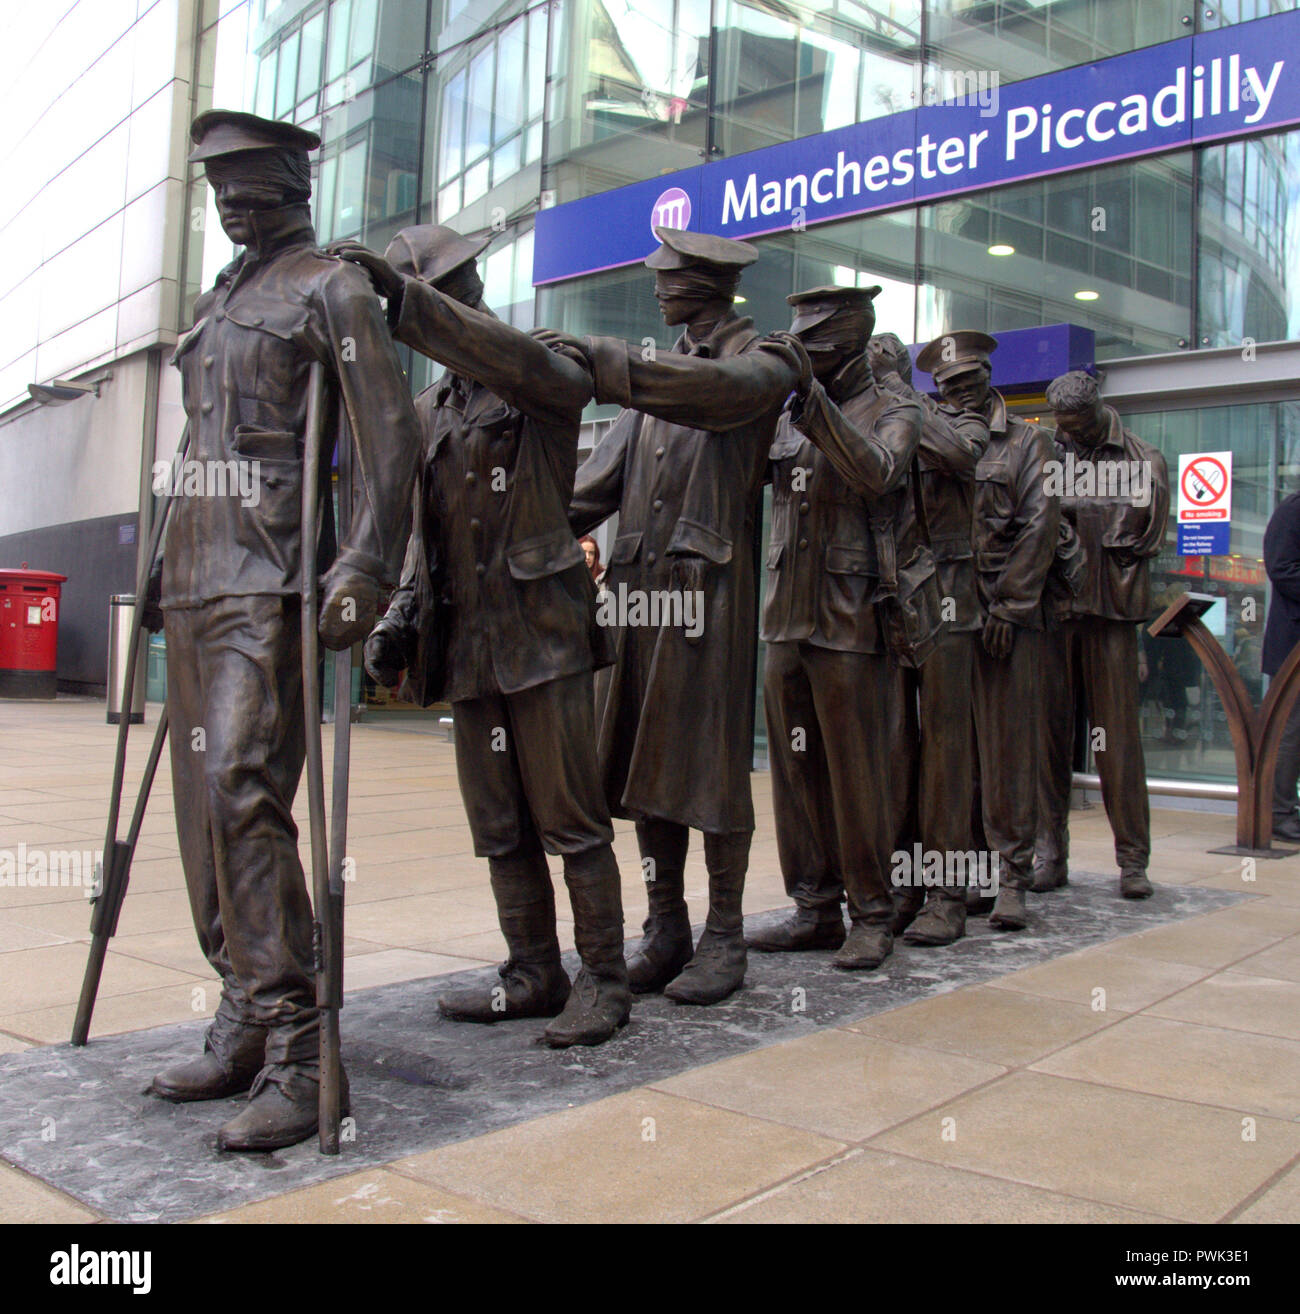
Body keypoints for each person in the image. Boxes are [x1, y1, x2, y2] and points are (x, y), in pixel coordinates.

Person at [144, 111, 422, 1151]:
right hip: (196, 577)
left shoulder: (330, 288)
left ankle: (305, 1052)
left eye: (248, 187)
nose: (229, 204)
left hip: (273, 583)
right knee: (199, 809)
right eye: (218, 188)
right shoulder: (218, 305)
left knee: (241, 790)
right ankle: (244, 1013)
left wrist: (365, 564)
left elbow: (386, 433)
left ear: (292, 187)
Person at [347, 225, 630, 1047]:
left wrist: (406, 303)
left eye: (443, 292)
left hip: (543, 635)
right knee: (500, 824)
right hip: (470, 643)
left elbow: (515, 363)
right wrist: (399, 619)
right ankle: (532, 971)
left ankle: (604, 979)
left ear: (467, 292)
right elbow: (421, 539)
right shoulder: (430, 411)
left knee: (571, 819)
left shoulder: (541, 369)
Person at [561, 227, 801, 1005]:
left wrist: (608, 364)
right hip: (636, 590)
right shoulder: (653, 381)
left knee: (710, 765)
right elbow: (593, 488)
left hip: (708, 598)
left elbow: (714, 397)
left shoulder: (760, 361)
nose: (656, 285)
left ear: (702, 282)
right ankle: (666, 925)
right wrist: (520, 530)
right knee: (641, 764)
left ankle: (724, 935)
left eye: (666, 275)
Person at [746, 288, 923, 969]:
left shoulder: (895, 407)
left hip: (853, 617)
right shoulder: (790, 413)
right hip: (786, 612)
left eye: (810, 347)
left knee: (857, 774)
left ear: (844, 347)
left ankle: (872, 912)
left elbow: (878, 474)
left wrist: (813, 409)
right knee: (793, 770)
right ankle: (813, 907)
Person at [916, 330, 1060, 931]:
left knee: (1006, 751)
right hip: (945, 616)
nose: (961, 396)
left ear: (988, 380)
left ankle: (1013, 879)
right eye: (949, 388)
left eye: (970, 383)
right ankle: (961, 878)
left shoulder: (1031, 443)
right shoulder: (931, 443)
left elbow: (1041, 527)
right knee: (950, 755)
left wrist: (1011, 607)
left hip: (1003, 617)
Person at [867, 331, 991, 945]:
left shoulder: (955, 423)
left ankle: (947, 894)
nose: (964, 390)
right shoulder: (887, 417)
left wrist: (899, 396)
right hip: (893, 599)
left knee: (946, 751)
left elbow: (961, 458)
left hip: (950, 598)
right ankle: (902, 887)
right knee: (892, 748)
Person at [1034, 370, 1169, 900]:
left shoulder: (1142, 459)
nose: (1068, 434)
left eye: (1077, 425)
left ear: (1097, 411)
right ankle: (1050, 853)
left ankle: (1133, 860)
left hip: (1110, 616)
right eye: (1061, 425)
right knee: (1048, 739)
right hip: (1056, 614)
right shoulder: (1051, 453)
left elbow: (1142, 535)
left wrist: (1067, 512)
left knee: (1118, 744)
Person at [1262, 487, 1300, 841]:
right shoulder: (1293, 510)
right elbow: (1281, 568)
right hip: (1293, 647)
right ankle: (1276, 812)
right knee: (1289, 731)